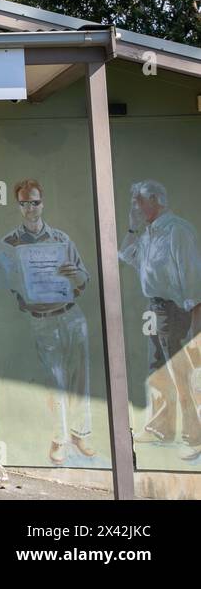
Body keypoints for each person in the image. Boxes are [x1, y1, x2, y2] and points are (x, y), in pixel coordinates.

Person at [0, 178, 96, 465]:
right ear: (18, 206)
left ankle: (81, 433)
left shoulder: (62, 239)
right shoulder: (9, 243)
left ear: (43, 203)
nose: (30, 208)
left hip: (71, 314)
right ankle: (60, 437)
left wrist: (73, 274)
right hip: (42, 318)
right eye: (25, 203)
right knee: (55, 381)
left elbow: (84, 279)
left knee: (80, 377)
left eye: (35, 202)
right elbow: (3, 284)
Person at [118, 180, 201, 460]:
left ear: (156, 200)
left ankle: (195, 436)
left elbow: (192, 275)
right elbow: (125, 254)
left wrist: (194, 317)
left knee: (182, 372)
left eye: (138, 202)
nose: (135, 208)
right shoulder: (148, 234)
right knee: (158, 369)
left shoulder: (177, 230)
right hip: (155, 308)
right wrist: (132, 228)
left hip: (176, 308)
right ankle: (161, 428)